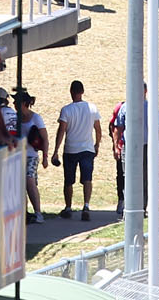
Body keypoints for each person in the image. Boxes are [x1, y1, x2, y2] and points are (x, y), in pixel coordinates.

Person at [51, 80, 101, 221]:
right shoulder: (92, 108)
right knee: (87, 178)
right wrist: (97, 145)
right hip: (87, 148)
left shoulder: (66, 110)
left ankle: (68, 207)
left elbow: (61, 131)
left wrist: (55, 151)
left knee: (68, 180)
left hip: (71, 149)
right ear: (83, 91)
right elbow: (98, 129)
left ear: (71, 92)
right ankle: (86, 205)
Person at [110, 84, 159, 214]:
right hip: (129, 147)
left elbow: (158, 129)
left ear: (145, 91)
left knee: (144, 177)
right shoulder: (126, 107)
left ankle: (142, 208)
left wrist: (157, 148)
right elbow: (118, 127)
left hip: (146, 146)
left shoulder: (151, 108)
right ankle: (129, 208)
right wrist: (116, 146)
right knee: (127, 176)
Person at [13, 89, 48, 223]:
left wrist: (45, 157)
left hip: (31, 155)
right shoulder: (15, 118)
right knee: (20, 185)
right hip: (17, 156)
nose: (14, 104)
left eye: (17, 101)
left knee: (29, 181)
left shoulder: (35, 118)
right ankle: (24, 213)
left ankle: (38, 213)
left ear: (24, 103)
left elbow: (45, 138)